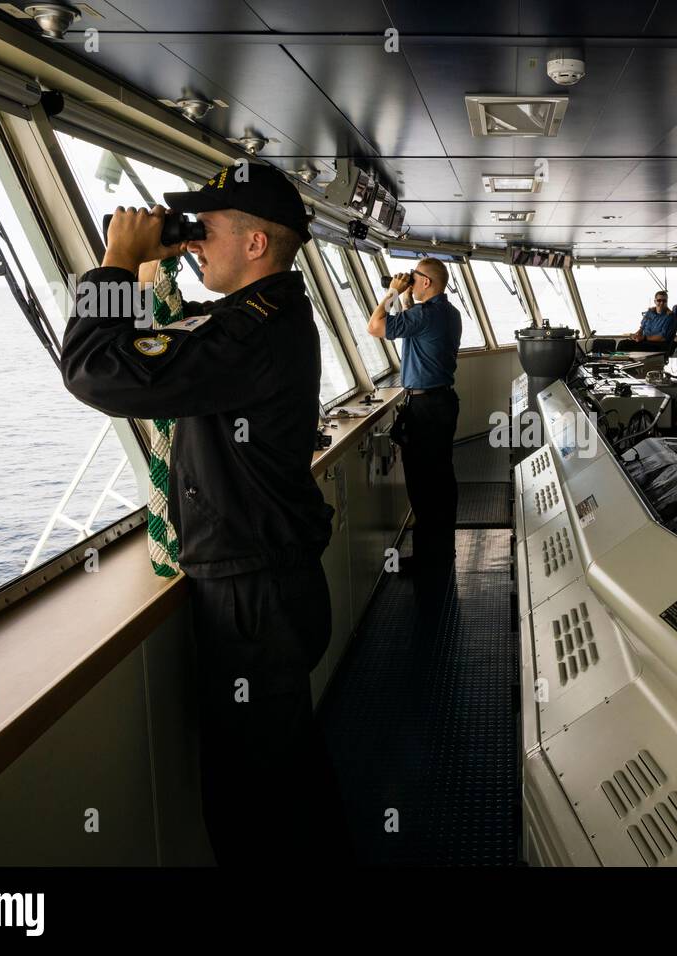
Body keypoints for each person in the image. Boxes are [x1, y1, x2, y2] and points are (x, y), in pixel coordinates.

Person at [60, 161, 347, 864]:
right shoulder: (255, 319)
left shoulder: (253, 333)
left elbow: (95, 370)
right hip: (266, 583)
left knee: (252, 805)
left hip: (254, 597)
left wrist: (118, 262)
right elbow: (164, 346)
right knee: (283, 775)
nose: (192, 242)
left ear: (255, 245)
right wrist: (156, 263)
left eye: (204, 230)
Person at [367, 257, 462, 577]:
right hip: (443, 402)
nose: (408, 279)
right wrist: (407, 297)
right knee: (440, 481)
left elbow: (375, 326)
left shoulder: (425, 315)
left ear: (426, 283)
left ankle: (429, 562)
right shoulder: (448, 313)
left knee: (423, 486)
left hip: (426, 410)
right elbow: (413, 324)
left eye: (414, 277)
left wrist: (392, 294)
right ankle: (440, 552)